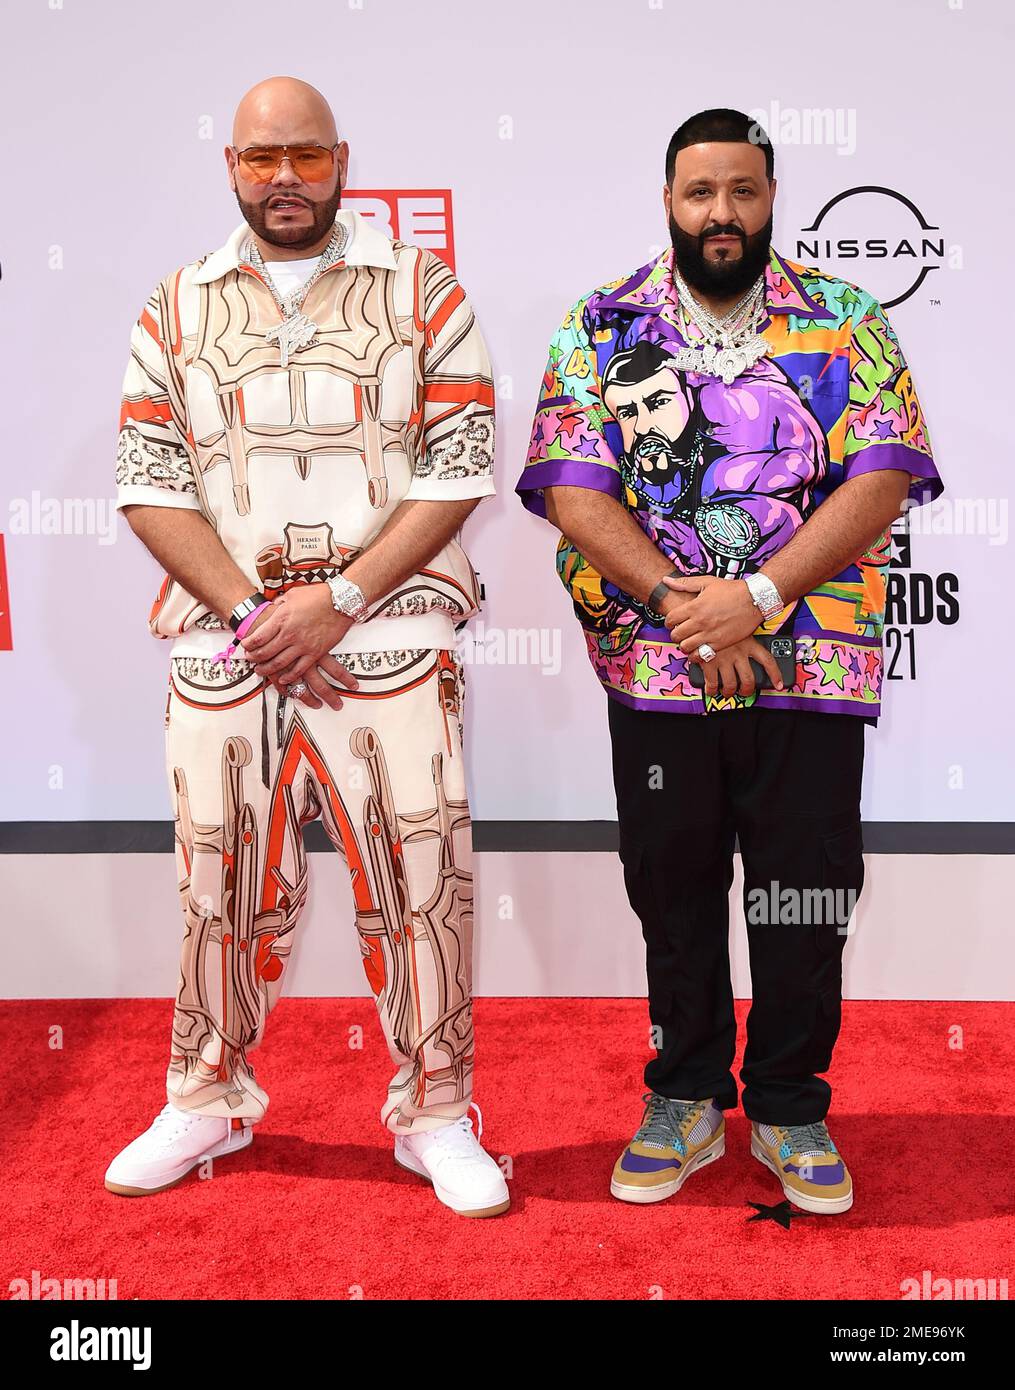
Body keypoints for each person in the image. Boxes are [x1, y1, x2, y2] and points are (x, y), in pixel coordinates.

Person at [516, 108, 942, 1214]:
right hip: (659, 668)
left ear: (769, 198)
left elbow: (880, 477)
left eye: (743, 192)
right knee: (673, 885)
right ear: (668, 198)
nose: (722, 213)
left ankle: (792, 1103)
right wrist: (680, 604)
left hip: (811, 658)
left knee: (803, 890)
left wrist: (757, 594)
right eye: (701, 192)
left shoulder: (843, 320)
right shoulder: (602, 325)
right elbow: (572, 488)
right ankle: (687, 1095)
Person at [104, 76, 509, 1218]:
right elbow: (148, 485)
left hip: (391, 634)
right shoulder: (174, 306)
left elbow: (459, 464)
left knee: (425, 878)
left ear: (343, 159)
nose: (283, 177)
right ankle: (204, 1097)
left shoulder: (424, 289)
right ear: (229, 167)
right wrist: (253, 613)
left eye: (305, 155)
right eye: (259, 157)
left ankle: (435, 1112)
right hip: (224, 650)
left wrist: (335, 597)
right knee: (211, 883)